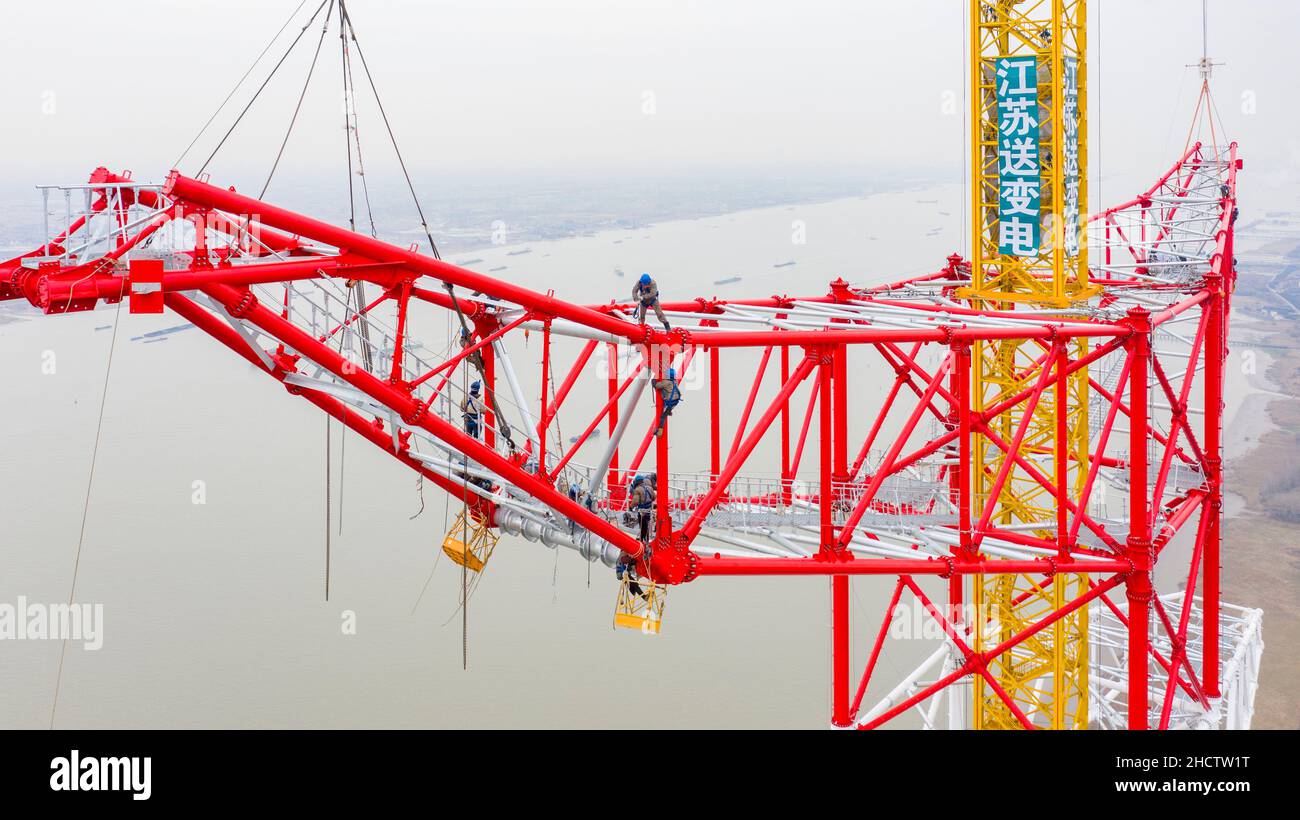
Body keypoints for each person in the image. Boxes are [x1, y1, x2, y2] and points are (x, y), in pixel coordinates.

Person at [652, 368, 682, 437]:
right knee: (668, 408)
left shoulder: (666, 382)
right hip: (675, 401)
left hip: (670, 402)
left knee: (663, 416)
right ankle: (669, 410)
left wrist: (653, 380)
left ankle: (659, 432)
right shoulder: (675, 381)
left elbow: (656, 386)